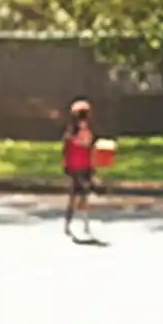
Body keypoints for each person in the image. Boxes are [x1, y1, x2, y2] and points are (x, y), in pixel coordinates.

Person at [62, 98, 97, 239]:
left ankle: (69, 223)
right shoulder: (85, 130)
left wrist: (65, 164)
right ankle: (85, 223)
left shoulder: (70, 132)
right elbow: (88, 145)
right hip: (84, 165)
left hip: (73, 166)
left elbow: (66, 150)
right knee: (83, 194)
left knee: (74, 195)